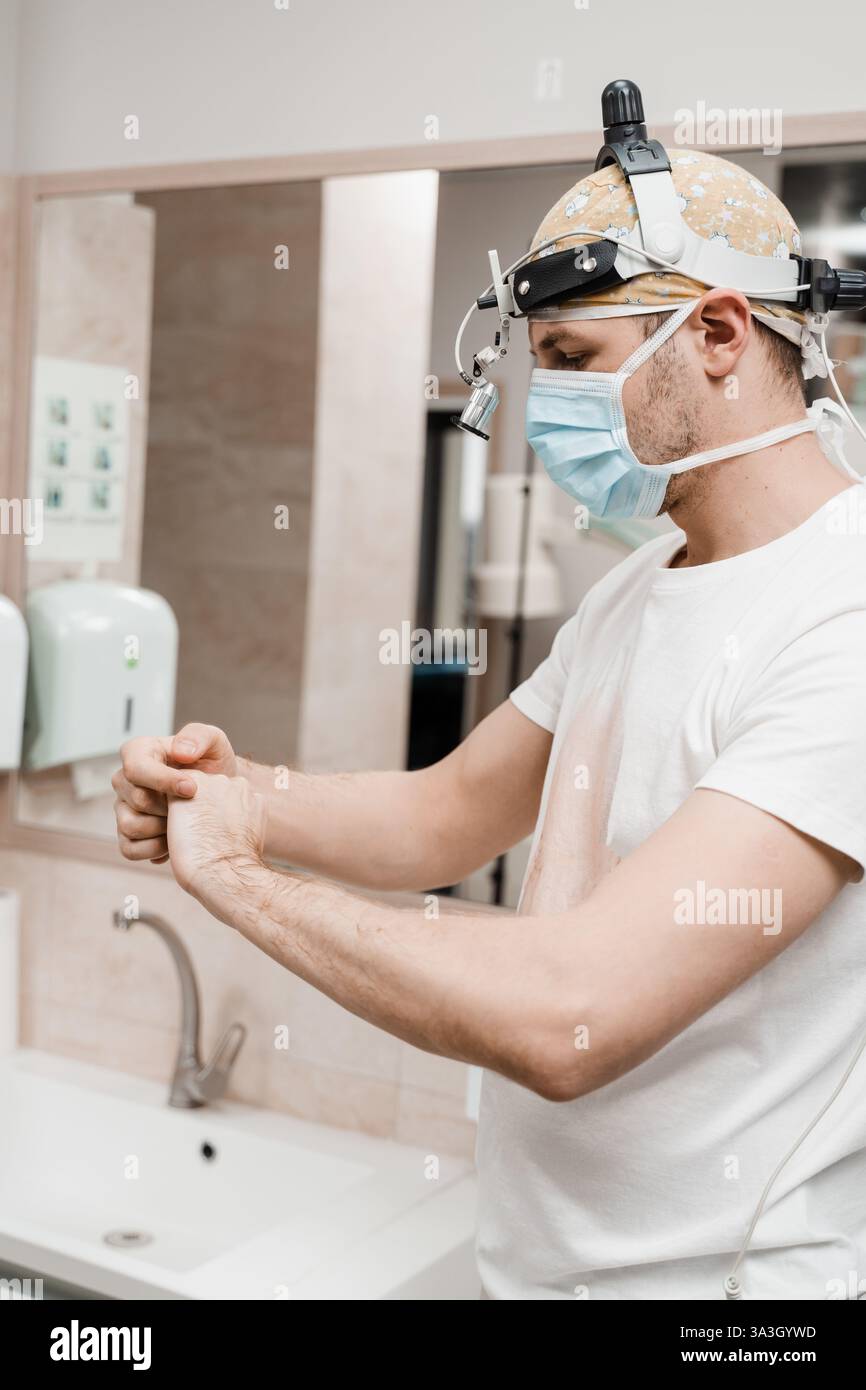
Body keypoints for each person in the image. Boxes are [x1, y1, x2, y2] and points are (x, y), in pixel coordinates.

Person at [113, 148, 866, 1300]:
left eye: (572, 359)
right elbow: (442, 814)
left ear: (717, 333)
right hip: (540, 1271)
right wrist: (228, 794)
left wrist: (243, 881)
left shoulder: (842, 615)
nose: (540, 405)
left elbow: (571, 1014)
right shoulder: (640, 584)